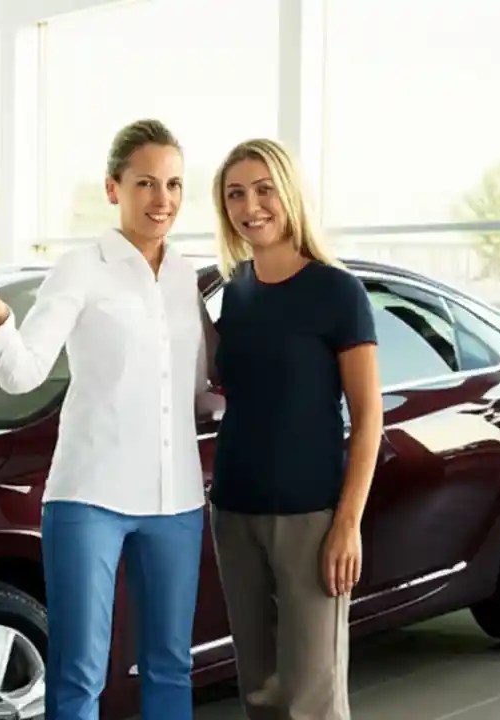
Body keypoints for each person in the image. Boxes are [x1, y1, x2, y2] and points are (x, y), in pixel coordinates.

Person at [0, 119, 218, 720]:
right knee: (80, 673)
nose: (162, 199)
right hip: (90, 495)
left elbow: (195, 384)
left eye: (174, 184)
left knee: (170, 666)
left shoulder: (185, 276)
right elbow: (23, 372)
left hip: (176, 498)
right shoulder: (81, 268)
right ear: (112, 188)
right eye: (145, 183)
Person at [206, 137, 383, 720]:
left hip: (310, 517)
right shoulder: (236, 291)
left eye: (264, 190)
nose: (250, 206)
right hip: (234, 512)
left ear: (289, 194)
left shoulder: (336, 291)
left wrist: (347, 524)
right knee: (259, 691)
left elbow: (368, 417)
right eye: (235, 194)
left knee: (312, 696)